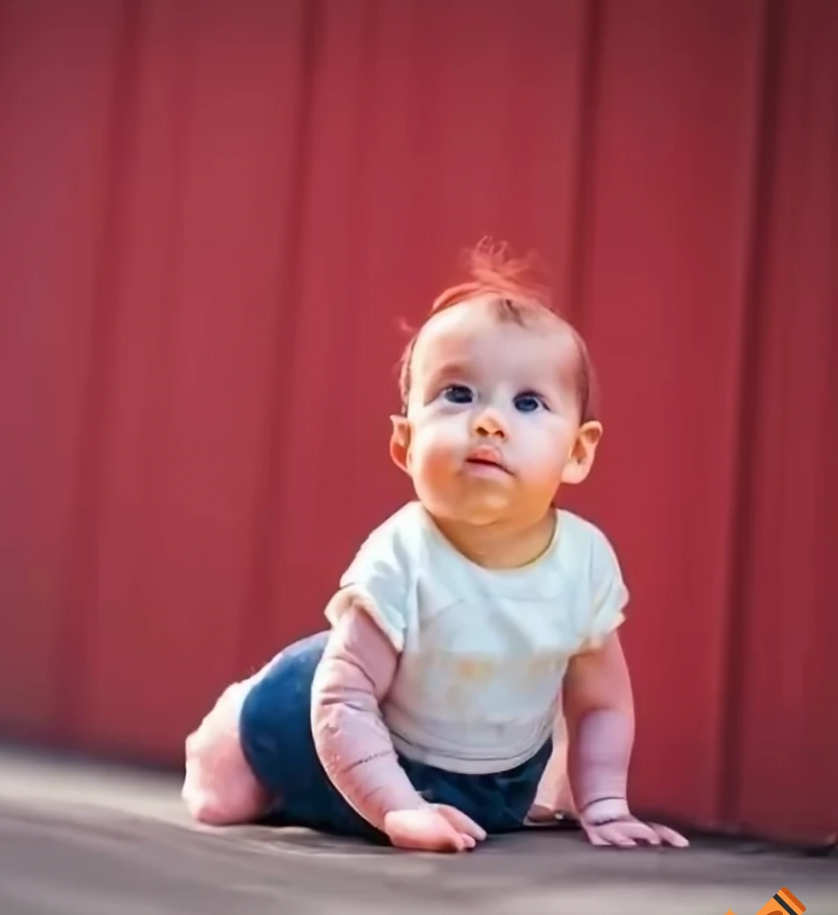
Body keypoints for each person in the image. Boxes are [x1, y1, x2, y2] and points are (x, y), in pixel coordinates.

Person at [182, 242, 689, 853]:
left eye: (527, 402)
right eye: (458, 395)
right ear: (405, 444)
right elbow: (342, 700)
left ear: (578, 453)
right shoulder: (401, 554)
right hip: (333, 734)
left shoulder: (584, 563)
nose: (489, 422)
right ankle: (235, 723)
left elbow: (602, 703)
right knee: (226, 800)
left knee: (492, 817)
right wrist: (398, 809)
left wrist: (605, 806)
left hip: (496, 779)